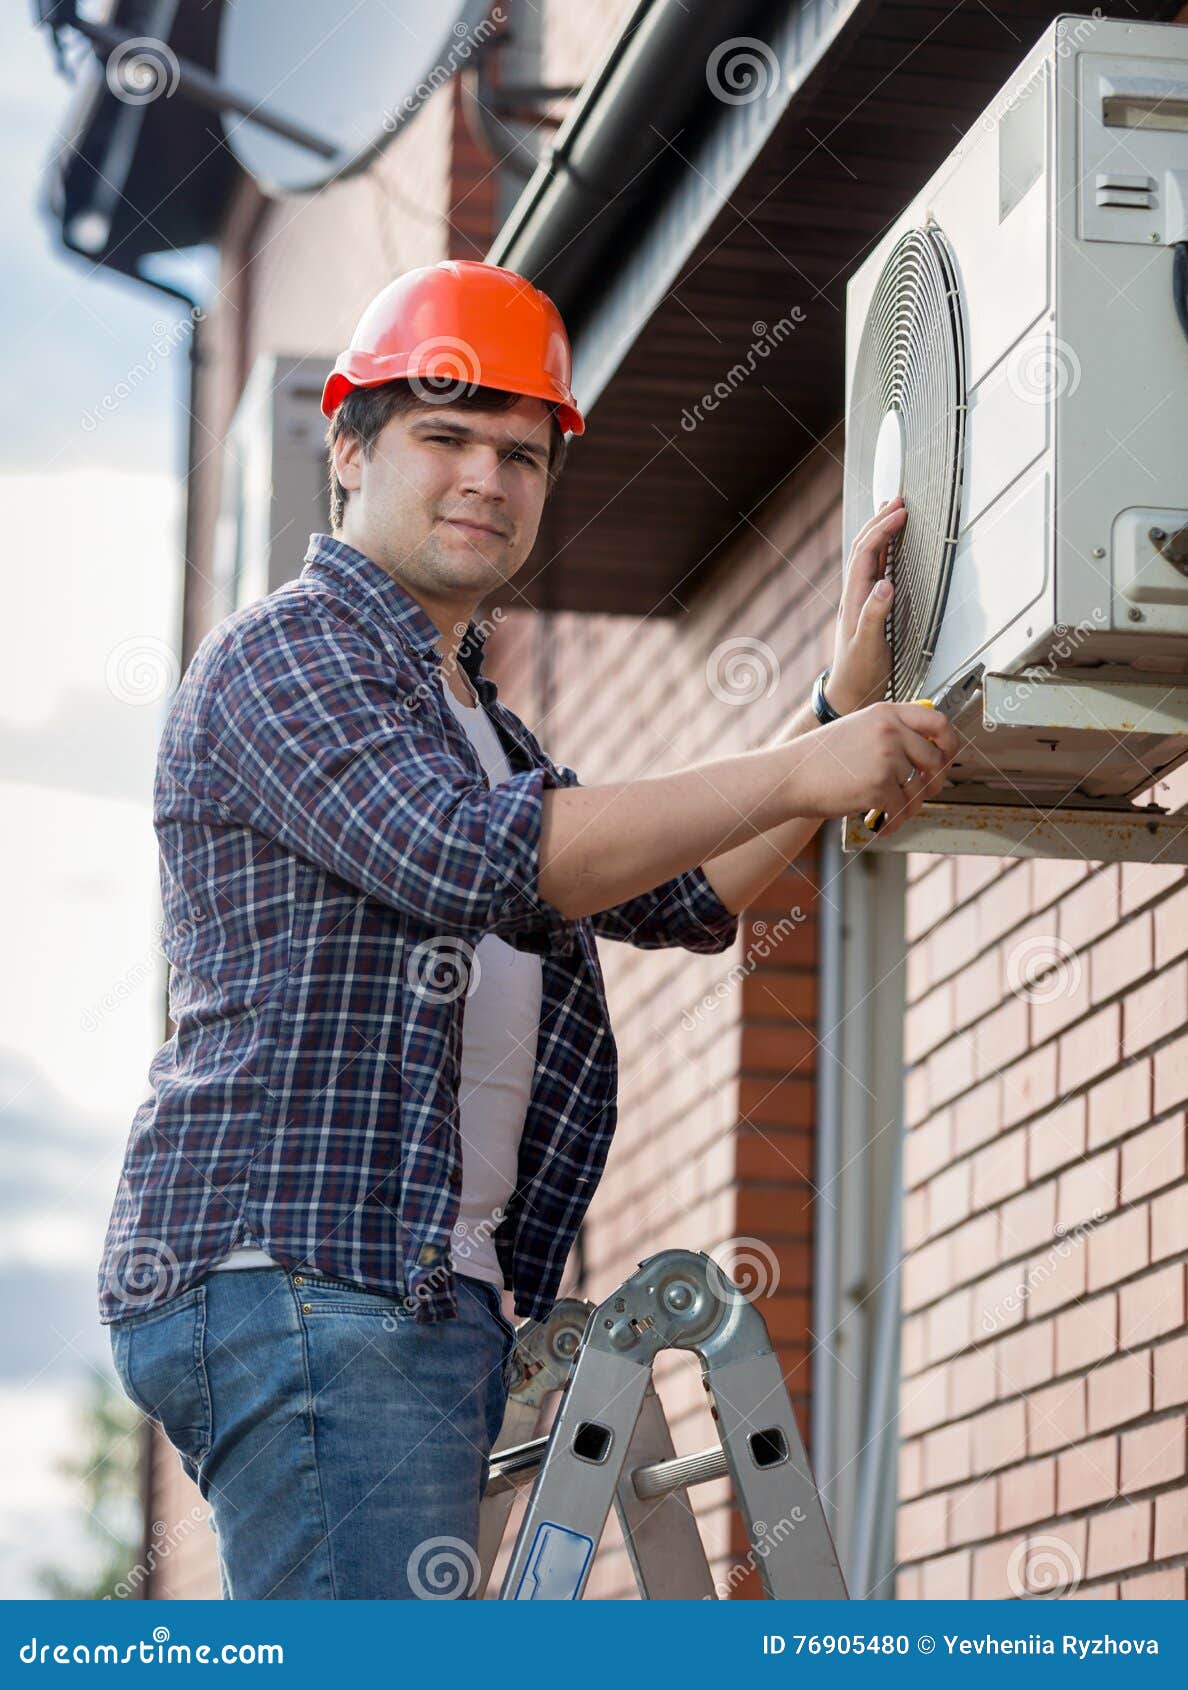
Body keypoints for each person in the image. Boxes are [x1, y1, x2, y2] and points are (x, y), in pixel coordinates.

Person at [100, 258, 957, 1599]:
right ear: (347, 442)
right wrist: (809, 772)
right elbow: (470, 857)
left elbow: (685, 889)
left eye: (522, 453)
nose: (487, 480)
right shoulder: (289, 656)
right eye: (445, 438)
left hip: (412, 1293)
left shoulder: (480, 726)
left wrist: (825, 714)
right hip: (306, 1273)